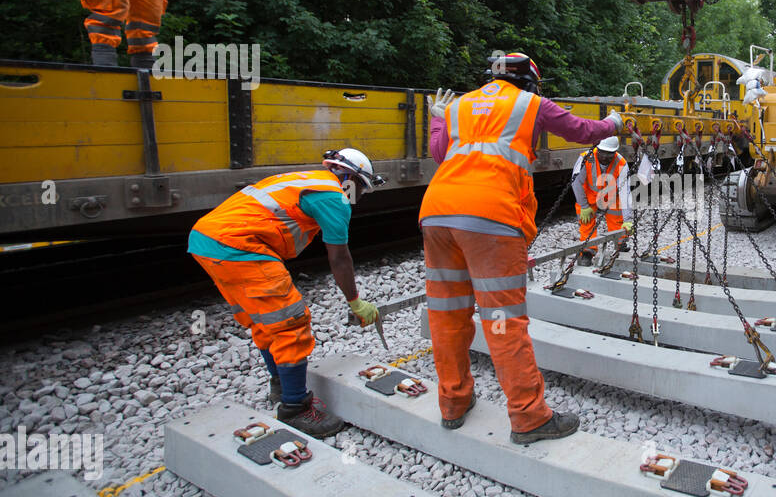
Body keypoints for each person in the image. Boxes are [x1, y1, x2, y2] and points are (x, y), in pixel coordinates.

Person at [419, 53, 622, 444]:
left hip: (437, 215)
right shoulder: (530, 104)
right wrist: (613, 122)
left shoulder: (458, 106)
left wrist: (437, 119)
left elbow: (440, 155)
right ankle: (529, 417)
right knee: (502, 320)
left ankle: (453, 403)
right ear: (529, 80)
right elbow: (582, 131)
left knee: (447, 316)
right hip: (490, 220)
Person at [189, 149, 383, 438]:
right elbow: (340, 257)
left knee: (265, 320)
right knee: (290, 323)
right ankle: (296, 409)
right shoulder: (334, 197)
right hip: (238, 247)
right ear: (349, 179)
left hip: (208, 241)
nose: (358, 198)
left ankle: (281, 385)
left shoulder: (309, 181)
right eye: (360, 189)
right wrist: (355, 301)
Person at [573, 136, 630, 265]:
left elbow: (625, 192)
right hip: (589, 196)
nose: (604, 158)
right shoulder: (586, 158)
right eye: (602, 153)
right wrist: (584, 206)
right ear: (597, 149)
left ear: (614, 153)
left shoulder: (621, 163)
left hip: (610, 196)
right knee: (586, 222)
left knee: (617, 216)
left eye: (609, 155)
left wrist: (628, 220)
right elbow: (576, 183)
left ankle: (620, 242)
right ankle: (587, 251)